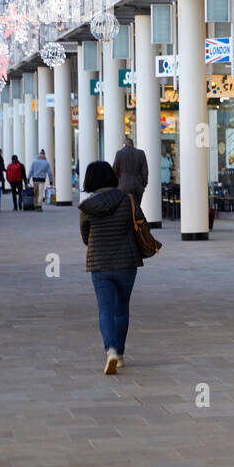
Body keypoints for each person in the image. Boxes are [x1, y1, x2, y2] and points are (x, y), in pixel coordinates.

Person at [78, 161, 144, 375]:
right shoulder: (128, 200)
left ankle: (111, 350)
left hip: (99, 263)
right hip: (126, 262)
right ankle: (122, 354)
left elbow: (85, 238)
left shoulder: (87, 206)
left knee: (105, 309)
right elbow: (142, 225)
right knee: (121, 308)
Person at [112, 135, 149, 206]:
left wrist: (116, 185)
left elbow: (114, 171)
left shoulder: (119, 153)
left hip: (123, 185)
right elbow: (145, 172)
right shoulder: (141, 153)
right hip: (138, 185)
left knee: (124, 209)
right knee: (136, 209)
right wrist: (143, 185)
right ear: (132, 144)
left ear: (124, 144)